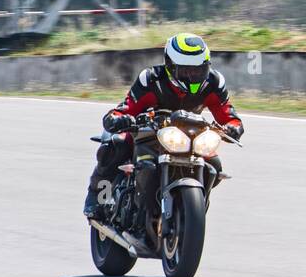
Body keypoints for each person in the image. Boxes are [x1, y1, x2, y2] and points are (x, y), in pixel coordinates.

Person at [83, 33, 244, 218]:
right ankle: (97, 197)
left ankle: (191, 210)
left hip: (190, 137)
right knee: (116, 144)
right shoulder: (151, 79)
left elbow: (229, 115)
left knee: (214, 164)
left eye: (199, 71)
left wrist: (233, 128)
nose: (192, 77)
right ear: (170, 66)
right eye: (185, 71)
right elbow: (126, 108)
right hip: (150, 132)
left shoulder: (213, 83)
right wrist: (120, 118)